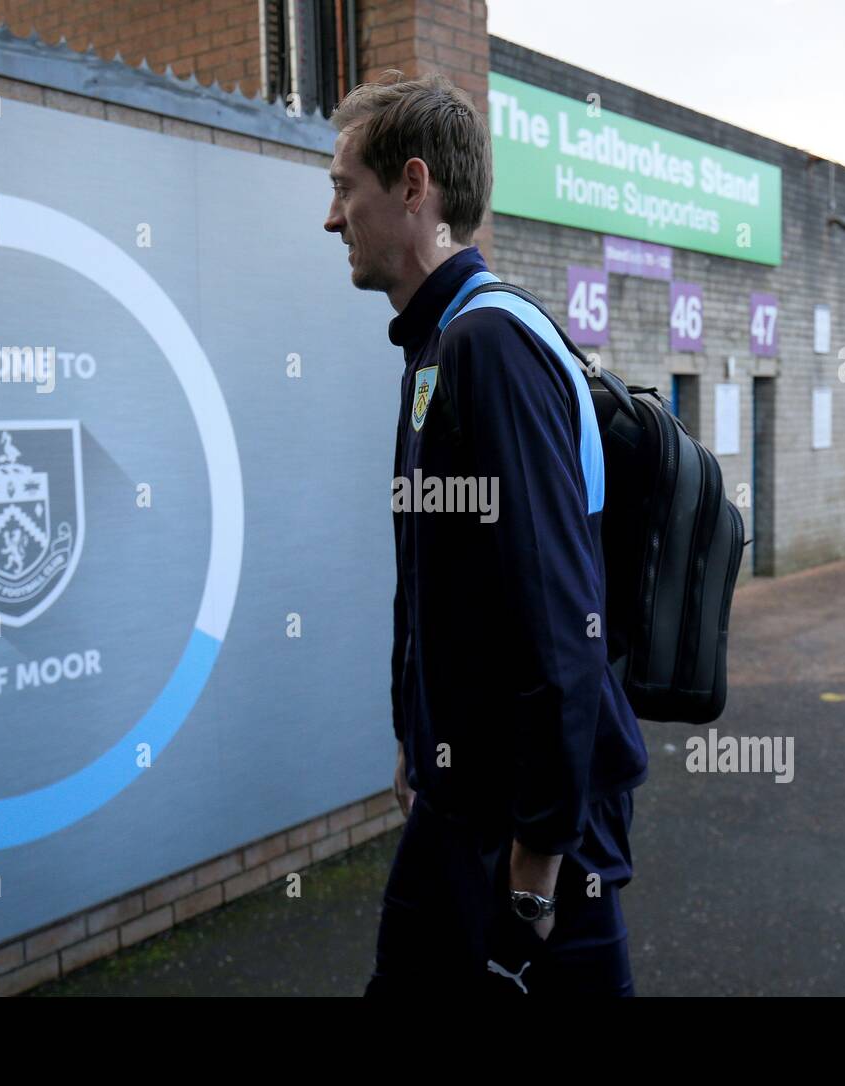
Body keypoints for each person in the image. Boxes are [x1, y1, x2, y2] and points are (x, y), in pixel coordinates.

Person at [323, 71, 649, 997]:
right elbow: (446, 585)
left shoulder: (487, 346)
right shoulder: (437, 345)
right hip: (459, 800)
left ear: (414, 186)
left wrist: (539, 860)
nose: (332, 217)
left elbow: (560, 615)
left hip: (531, 831)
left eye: (346, 187)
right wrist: (417, 736)